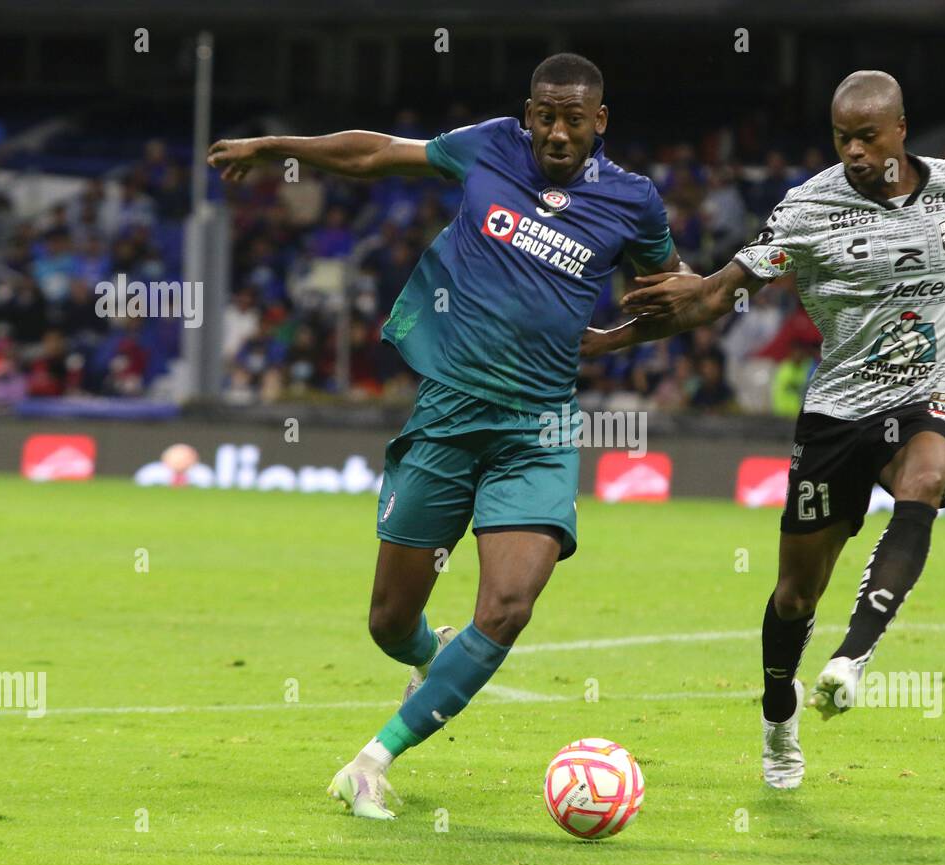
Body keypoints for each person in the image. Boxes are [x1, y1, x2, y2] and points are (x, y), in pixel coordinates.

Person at [209, 53, 684, 820]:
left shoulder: (632, 201)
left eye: (574, 118)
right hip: (448, 417)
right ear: (527, 114)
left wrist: (612, 339)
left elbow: (672, 298)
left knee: (507, 604)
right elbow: (375, 154)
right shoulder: (488, 146)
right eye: (545, 115)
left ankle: (371, 762)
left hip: (538, 428)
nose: (557, 132)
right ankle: (432, 658)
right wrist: (277, 148)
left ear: (601, 121)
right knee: (389, 623)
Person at [583, 70, 945, 789]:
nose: (852, 151)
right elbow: (719, 294)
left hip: (927, 394)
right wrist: (601, 343)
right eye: (841, 137)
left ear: (901, 129)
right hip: (838, 412)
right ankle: (779, 714)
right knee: (795, 594)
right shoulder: (808, 211)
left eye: (866, 136)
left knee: (927, 478)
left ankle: (852, 658)